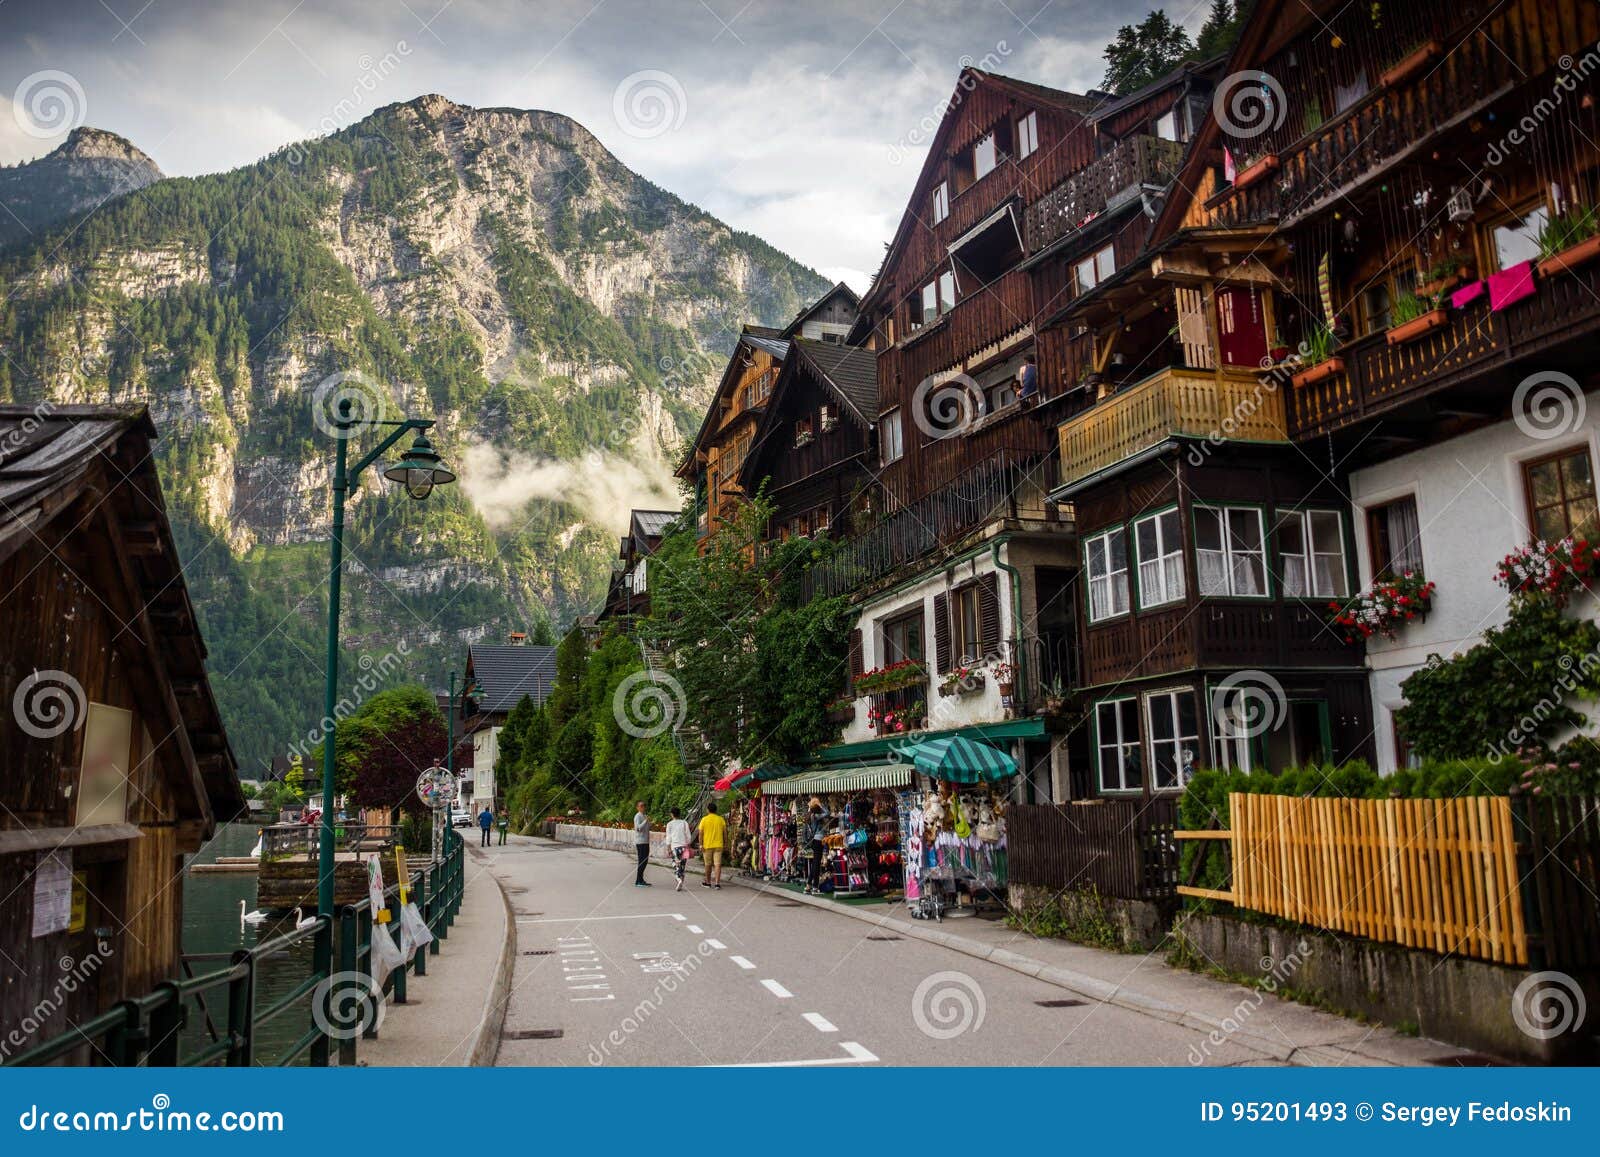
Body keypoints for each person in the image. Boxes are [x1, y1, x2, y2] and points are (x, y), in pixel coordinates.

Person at [697, 801, 727, 890]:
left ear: (708, 810)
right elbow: (725, 833)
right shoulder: (720, 819)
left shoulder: (704, 819)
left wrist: (700, 844)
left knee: (708, 865)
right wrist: (725, 844)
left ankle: (708, 882)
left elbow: (700, 833)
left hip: (707, 846)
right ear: (716, 810)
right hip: (718, 845)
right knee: (718, 864)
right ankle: (717, 884)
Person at [664, 806, 693, 892]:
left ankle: (679, 880)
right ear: (679, 814)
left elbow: (668, 838)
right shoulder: (684, 823)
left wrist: (668, 848)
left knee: (676, 866)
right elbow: (688, 836)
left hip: (675, 848)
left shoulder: (669, 824)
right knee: (682, 866)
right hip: (684, 848)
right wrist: (688, 844)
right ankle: (681, 883)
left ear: (672, 814)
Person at [804, 803, 827, 895]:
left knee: (815, 863)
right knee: (816, 864)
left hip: (814, 841)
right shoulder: (816, 816)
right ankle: (814, 886)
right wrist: (821, 806)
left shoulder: (810, 816)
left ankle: (809, 885)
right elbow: (827, 813)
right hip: (818, 840)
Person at [633, 801, 652, 887]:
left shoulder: (644, 816)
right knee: (642, 861)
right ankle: (638, 881)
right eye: (641, 806)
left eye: (644, 805)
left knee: (645, 860)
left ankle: (641, 879)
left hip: (646, 841)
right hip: (640, 842)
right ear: (637, 807)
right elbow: (638, 828)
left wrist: (649, 823)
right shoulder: (637, 816)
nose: (643, 807)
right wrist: (646, 821)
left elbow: (647, 827)